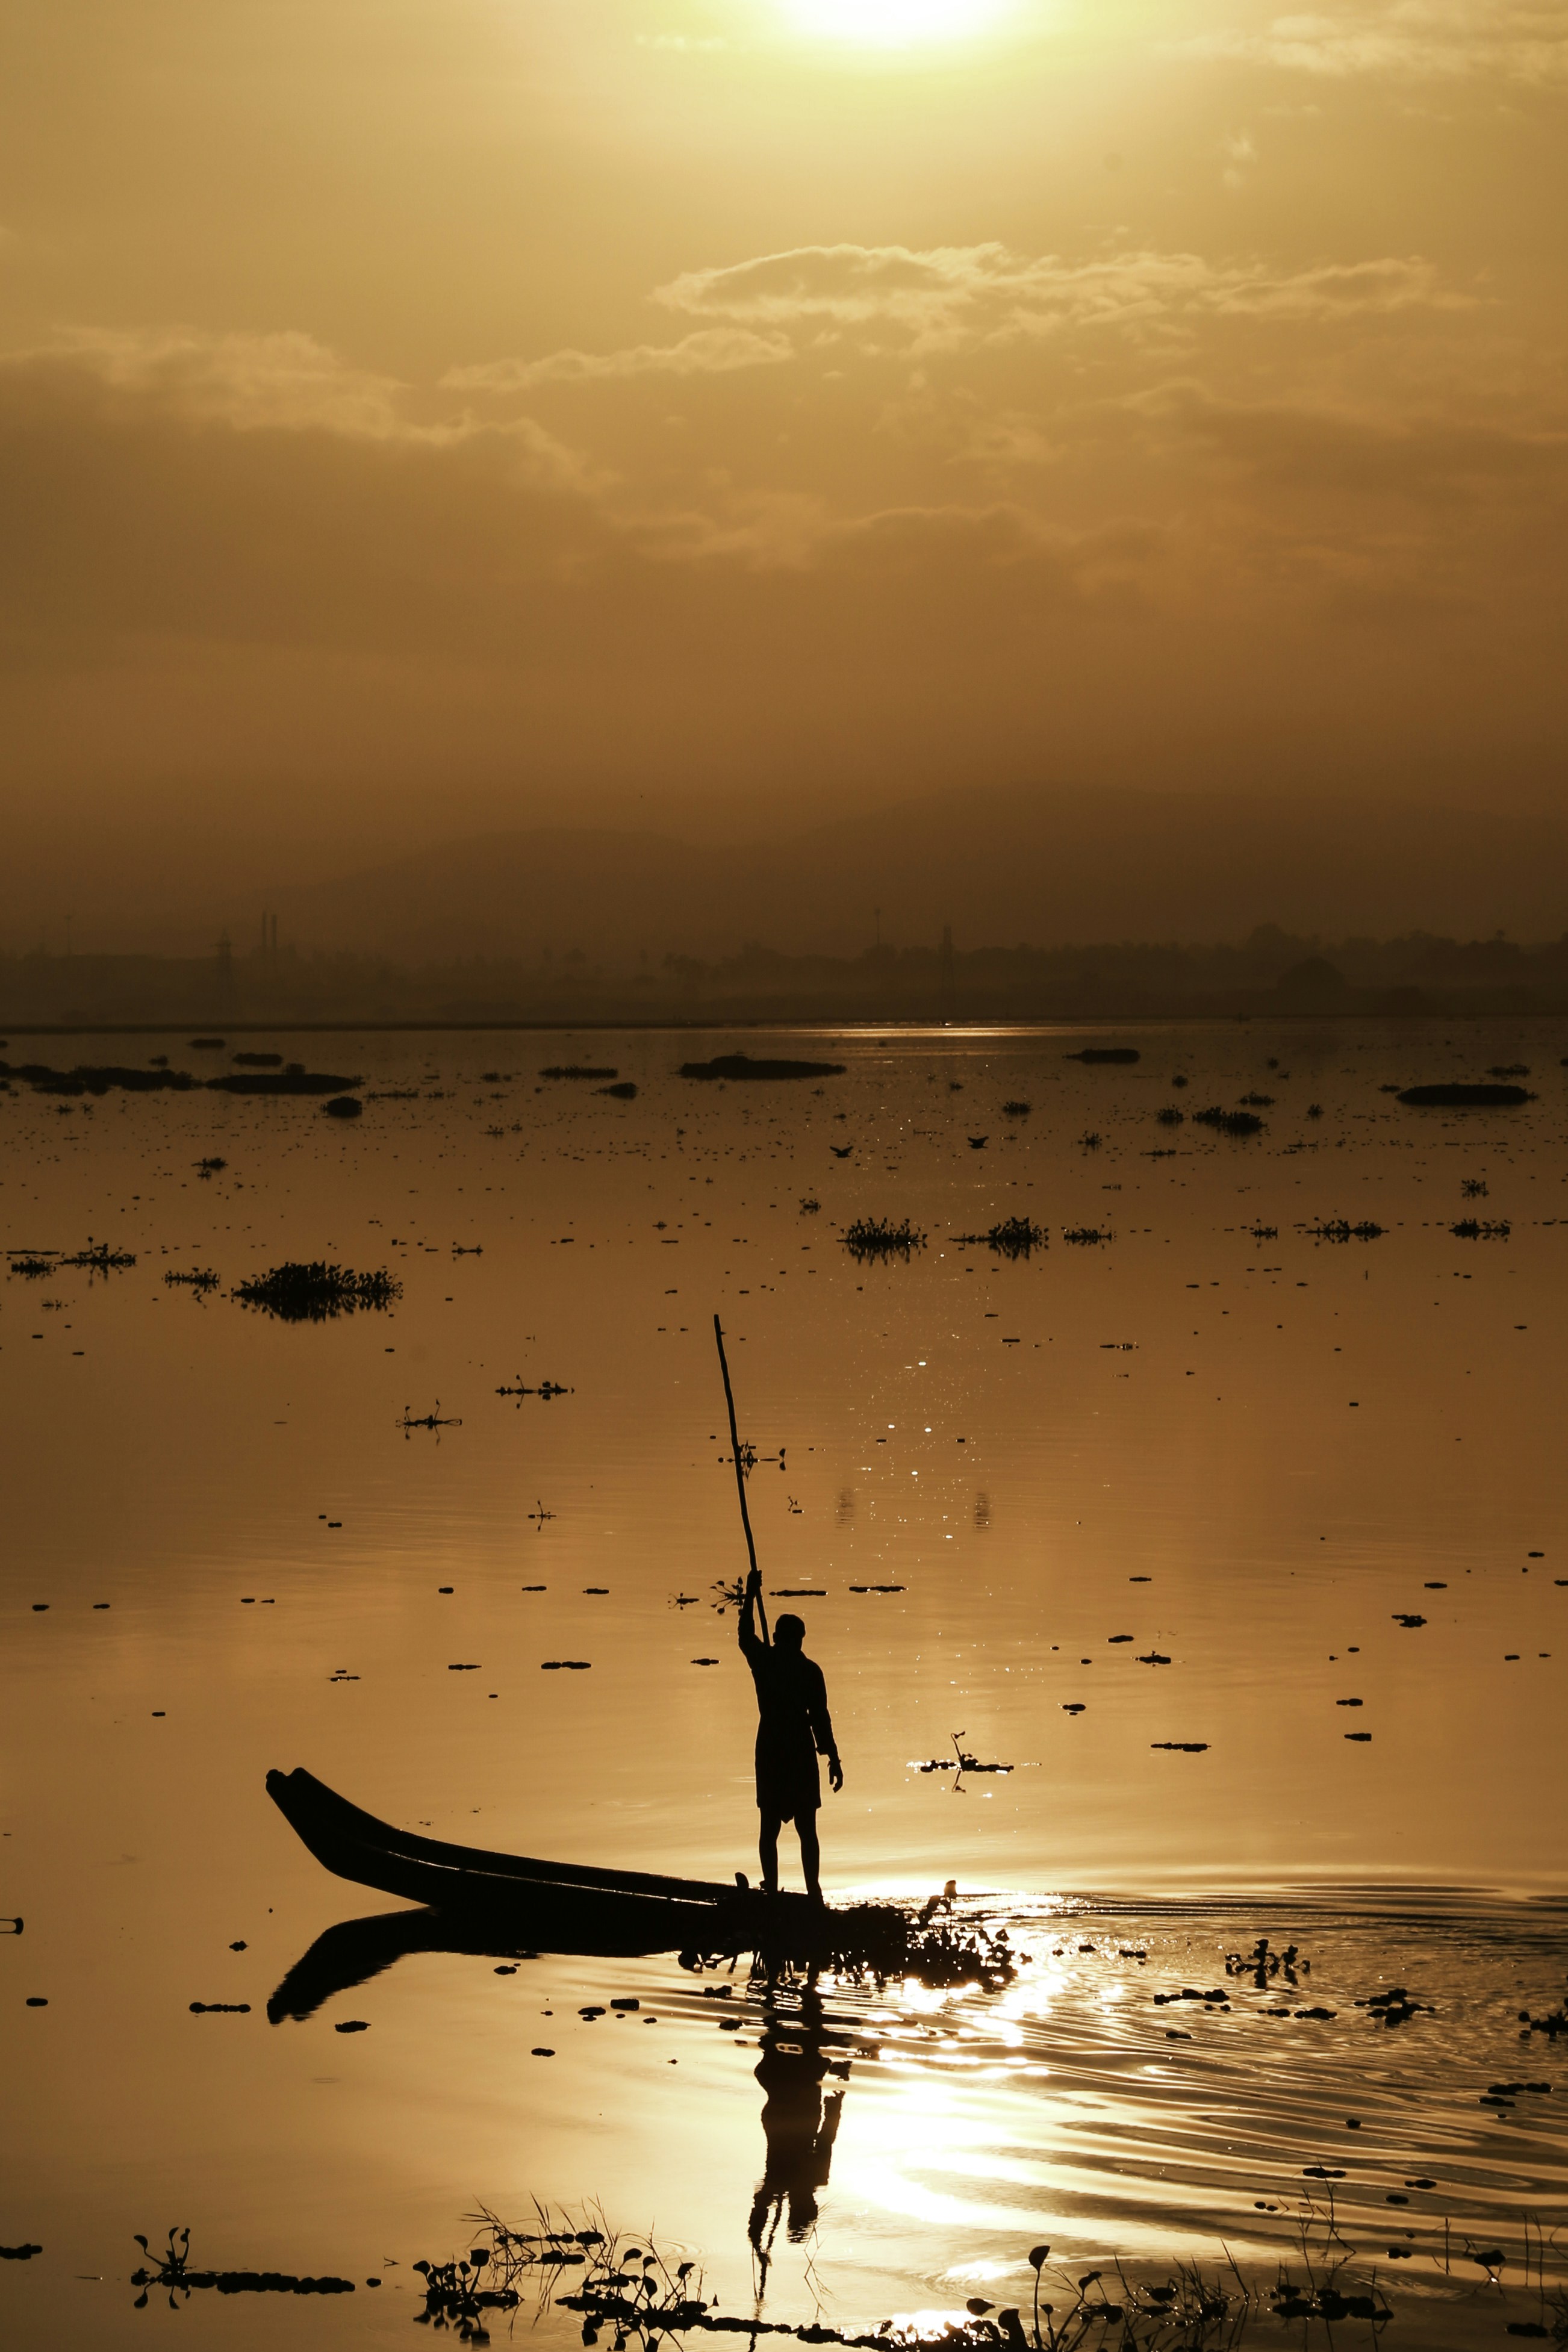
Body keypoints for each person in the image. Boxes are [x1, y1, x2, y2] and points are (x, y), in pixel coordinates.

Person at [737, 1564, 842, 1900]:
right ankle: (808, 1891)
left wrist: (751, 1595)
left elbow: (744, 1635)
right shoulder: (805, 1670)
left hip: (777, 1748)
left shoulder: (767, 1662)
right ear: (795, 1640)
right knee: (799, 1829)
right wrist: (834, 1758)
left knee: (776, 1827)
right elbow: (821, 1720)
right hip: (793, 1749)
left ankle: (793, 1889)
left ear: (783, 1638)